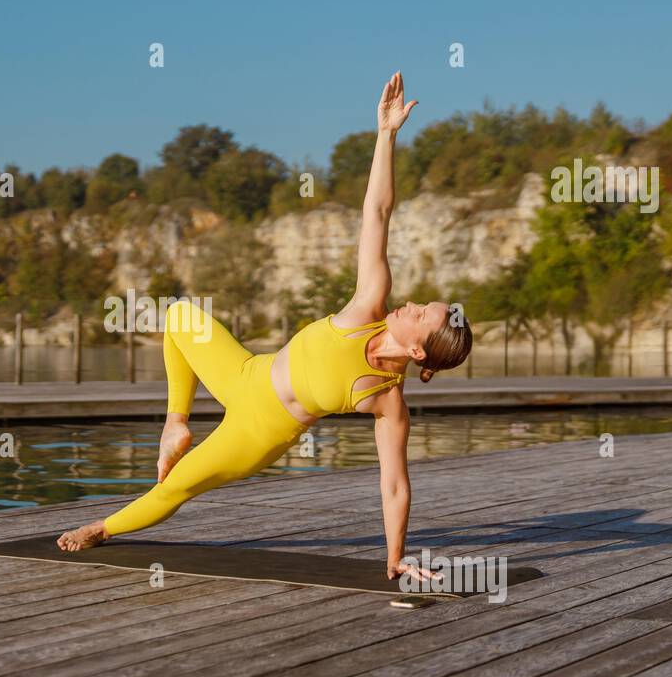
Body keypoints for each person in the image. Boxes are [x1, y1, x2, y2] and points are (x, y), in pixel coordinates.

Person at [57, 73, 472, 585]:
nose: (408, 304)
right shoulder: (368, 305)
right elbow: (378, 211)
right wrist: (386, 135)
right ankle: (175, 423)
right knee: (180, 316)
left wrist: (395, 556)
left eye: (419, 313)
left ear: (416, 350)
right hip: (246, 372)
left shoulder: (388, 400)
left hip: (259, 431)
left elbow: (394, 485)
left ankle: (102, 527)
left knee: (174, 490)